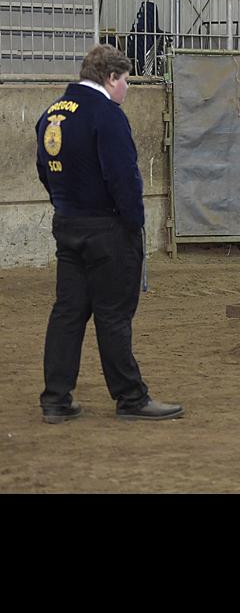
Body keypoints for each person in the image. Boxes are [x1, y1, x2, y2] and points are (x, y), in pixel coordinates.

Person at [37, 43, 184, 424]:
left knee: (68, 313)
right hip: (108, 229)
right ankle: (130, 397)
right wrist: (134, 224)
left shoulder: (52, 113)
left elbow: (44, 169)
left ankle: (56, 398)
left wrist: (65, 205)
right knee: (114, 315)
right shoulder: (107, 115)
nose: (127, 89)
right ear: (111, 78)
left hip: (68, 224)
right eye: (126, 81)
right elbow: (124, 178)